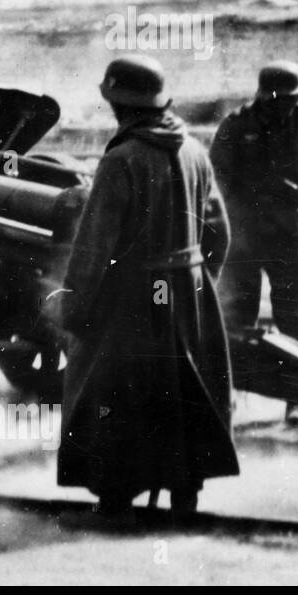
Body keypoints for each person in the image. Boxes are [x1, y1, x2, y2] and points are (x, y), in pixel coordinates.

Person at [57, 55, 238, 525]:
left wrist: (76, 308)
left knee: (117, 393)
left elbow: (94, 245)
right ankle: (186, 493)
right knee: (185, 391)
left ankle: (116, 498)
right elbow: (219, 231)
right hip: (190, 290)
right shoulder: (195, 151)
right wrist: (198, 282)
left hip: (134, 297)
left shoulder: (121, 160)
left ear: (121, 105)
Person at [209, 61, 298, 343]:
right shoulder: (237, 125)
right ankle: (240, 380)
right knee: (236, 316)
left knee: (295, 317)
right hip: (246, 235)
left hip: (291, 230)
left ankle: (296, 379)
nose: (291, 105)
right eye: (285, 100)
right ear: (266, 98)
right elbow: (217, 179)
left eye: (295, 98)